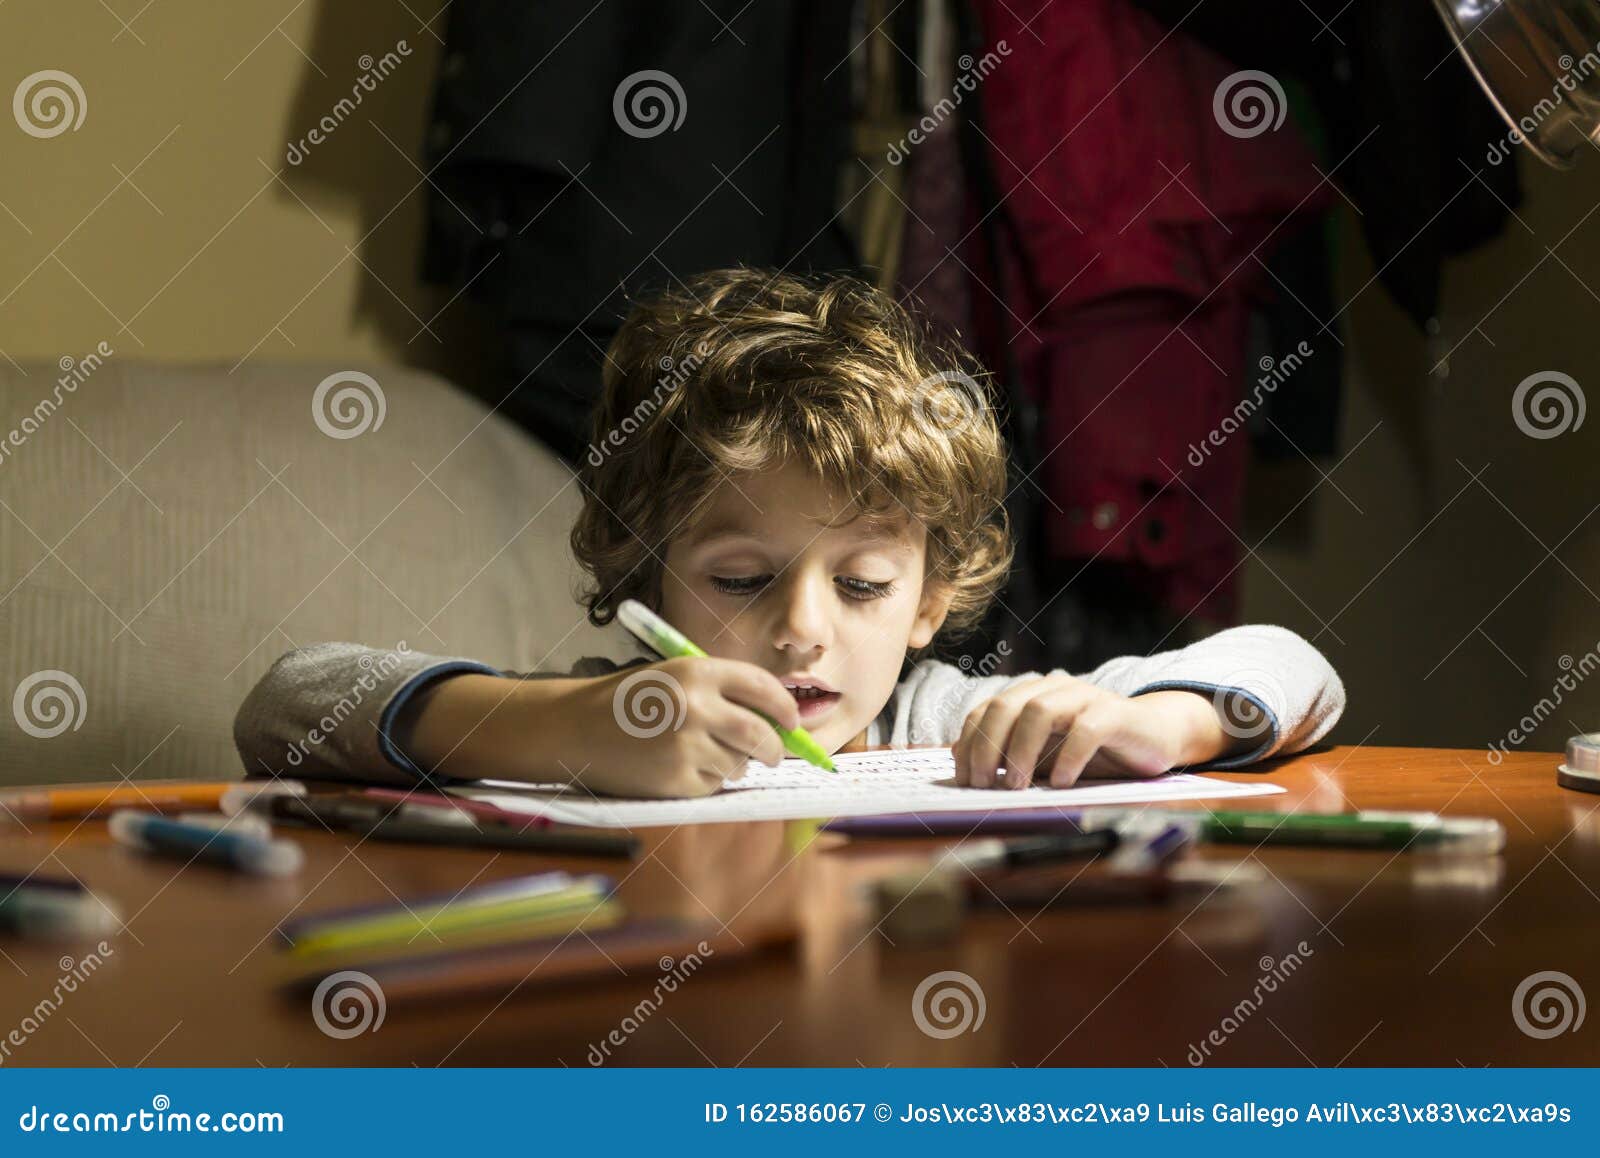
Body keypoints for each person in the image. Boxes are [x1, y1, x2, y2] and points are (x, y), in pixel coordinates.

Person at [235, 269, 1344, 797]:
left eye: (861, 585)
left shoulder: (954, 728)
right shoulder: (604, 721)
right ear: (648, 573)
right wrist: (562, 729)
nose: (802, 633)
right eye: (738, 575)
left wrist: (1162, 721)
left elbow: (1295, 669)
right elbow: (288, 701)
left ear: (927, 596)